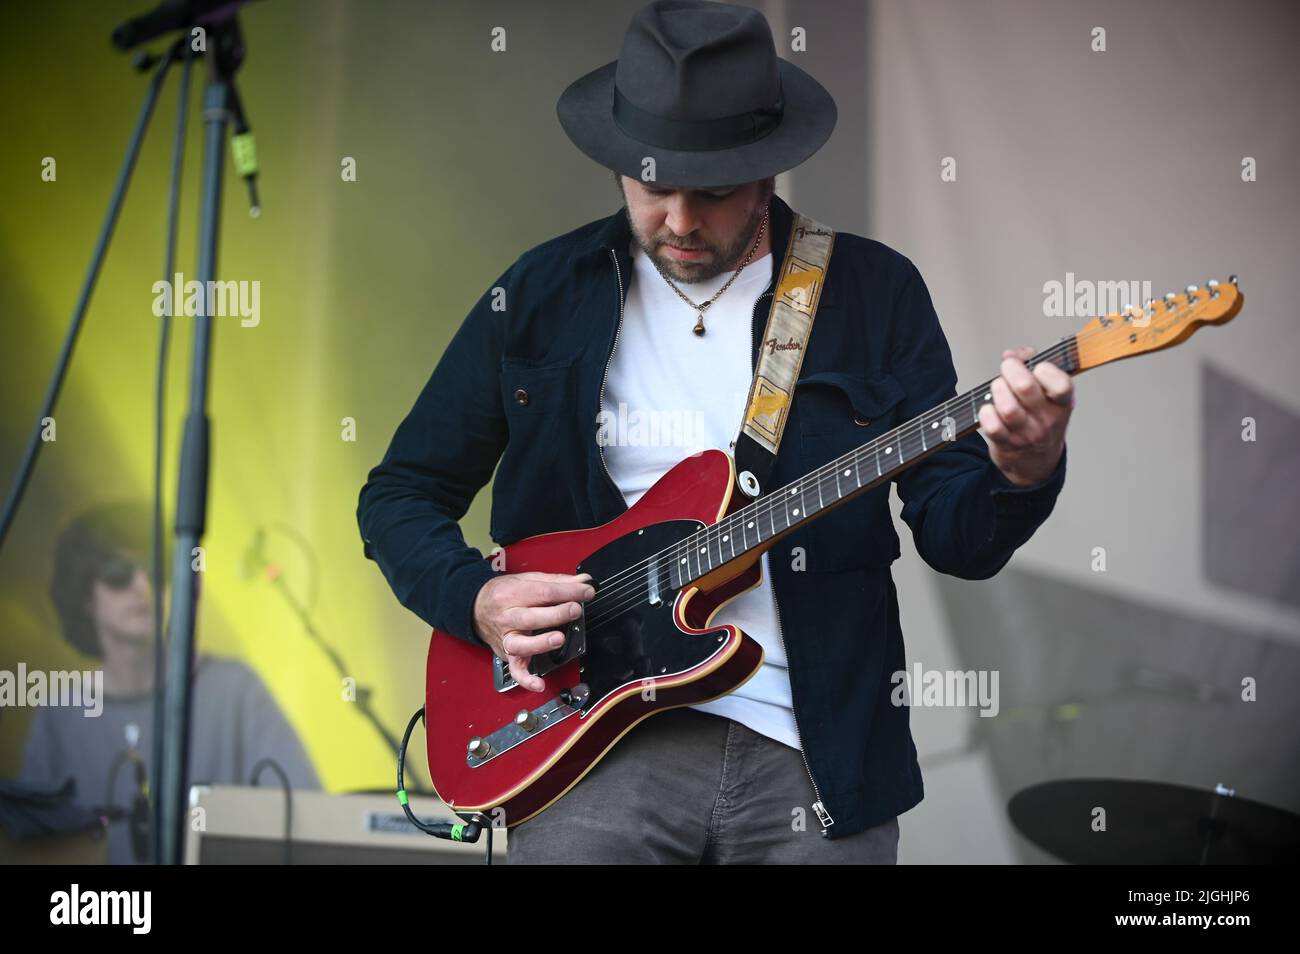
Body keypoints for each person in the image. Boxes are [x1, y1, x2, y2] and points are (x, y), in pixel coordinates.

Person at [358, 0, 1072, 864]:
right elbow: (400, 494)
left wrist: (1024, 467)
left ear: (768, 169)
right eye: (653, 188)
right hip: (586, 746)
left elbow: (959, 539)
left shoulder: (873, 294)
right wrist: (475, 599)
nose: (682, 221)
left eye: (715, 192)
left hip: (817, 757)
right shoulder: (541, 294)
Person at [20, 501, 320, 864]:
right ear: (85, 595)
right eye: (118, 574)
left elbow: (307, 822)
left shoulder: (236, 690)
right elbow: (31, 847)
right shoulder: (60, 714)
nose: (141, 586)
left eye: (156, 571)